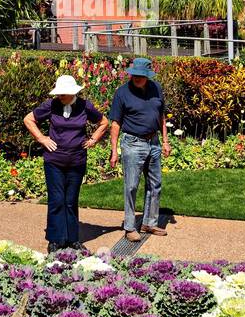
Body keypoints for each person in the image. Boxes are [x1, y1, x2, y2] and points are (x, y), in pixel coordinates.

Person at [23, 74, 108, 254]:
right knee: (56, 200)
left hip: (77, 161)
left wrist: (93, 140)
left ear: (72, 93)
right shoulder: (51, 105)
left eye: (63, 93)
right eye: (58, 93)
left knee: (70, 200)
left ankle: (72, 239)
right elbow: (28, 119)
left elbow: (103, 122)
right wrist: (41, 138)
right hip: (54, 161)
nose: (59, 96)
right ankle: (55, 240)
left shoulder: (85, 106)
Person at [108, 56, 171, 242]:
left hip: (154, 142)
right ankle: (129, 227)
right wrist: (114, 151)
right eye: (135, 74)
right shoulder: (122, 93)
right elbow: (115, 123)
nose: (137, 78)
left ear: (148, 76)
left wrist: (165, 141)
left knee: (155, 184)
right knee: (131, 186)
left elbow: (162, 117)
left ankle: (149, 223)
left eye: (141, 75)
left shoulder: (156, 88)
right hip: (132, 143)